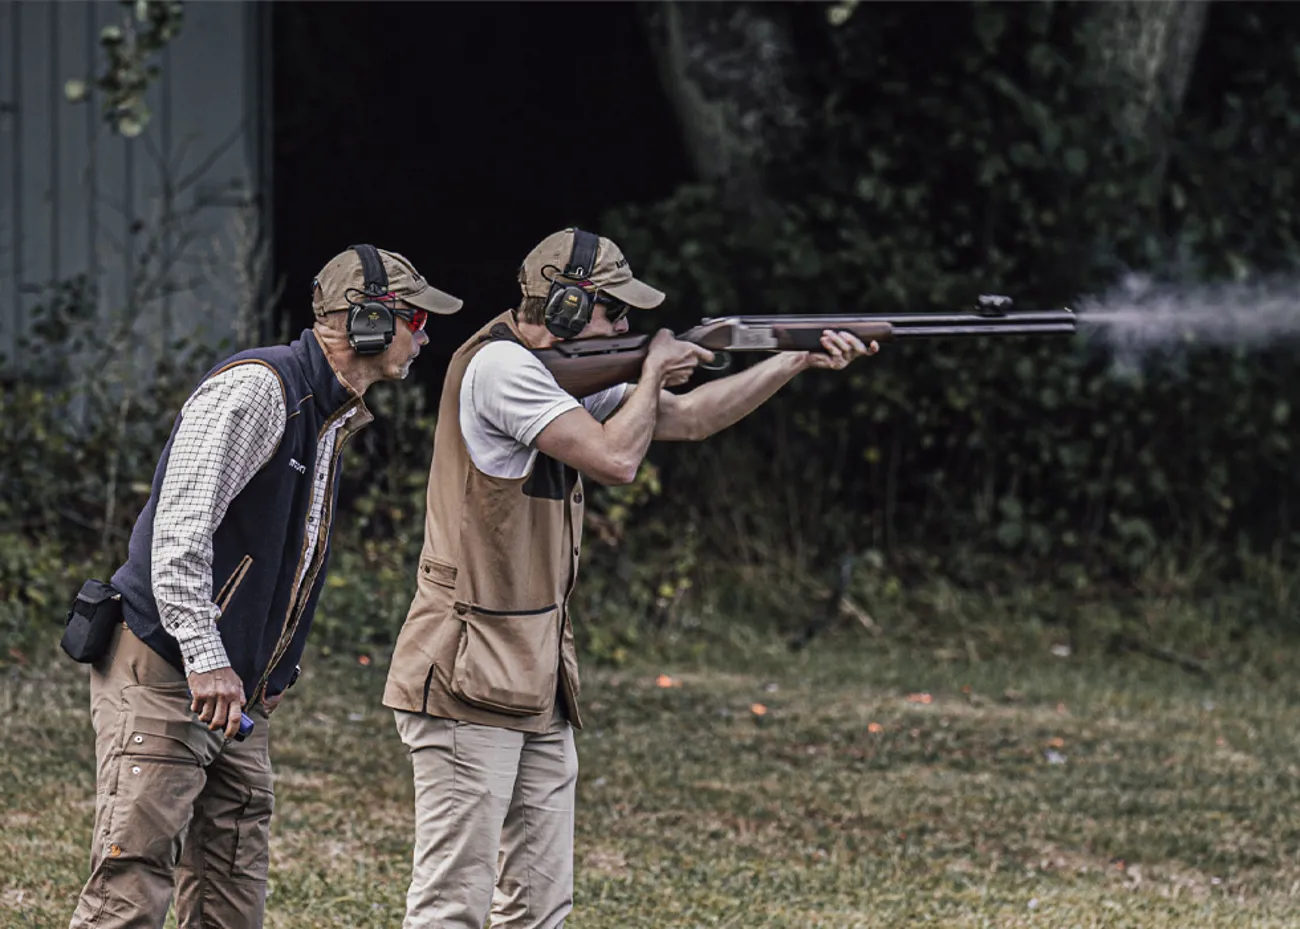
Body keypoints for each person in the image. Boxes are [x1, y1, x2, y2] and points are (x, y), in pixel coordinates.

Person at [382, 226, 876, 929]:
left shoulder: (556, 374)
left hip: (535, 672)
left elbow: (692, 419)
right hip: (468, 671)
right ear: (563, 310)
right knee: (452, 907)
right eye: (614, 313)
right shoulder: (501, 368)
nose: (627, 327)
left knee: (540, 902)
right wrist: (647, 372)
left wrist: (793, 358)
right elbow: (616, 460)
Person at [68, 245, 462, 929]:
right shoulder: (260, 389)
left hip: (232, 690)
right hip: (169, 670)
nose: (423, 337)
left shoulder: (329, 409)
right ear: (367, 321)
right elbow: (179, 534)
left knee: (230, 893)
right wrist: (207, 654)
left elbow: (286, 551)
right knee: (128, 892)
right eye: (415, 321)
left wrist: (276, 664)